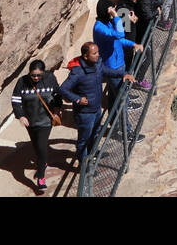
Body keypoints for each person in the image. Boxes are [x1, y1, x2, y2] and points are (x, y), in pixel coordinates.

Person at [59, 42, 137, 160]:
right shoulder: (78, 72)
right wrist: (78, 99)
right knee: (83, 140)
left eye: (98, 52)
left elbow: (107, 71)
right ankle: (84, 166)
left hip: (96, 109)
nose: (98, 55)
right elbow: (63, 89)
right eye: (94, 53)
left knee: (95, 134)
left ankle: (92, 155)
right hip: (85, 113)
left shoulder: (98, 64)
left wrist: (123, 74)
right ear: (86, 56)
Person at [11, 60, 63, 192]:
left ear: (43, 73)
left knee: (41, 147)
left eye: (39, 75)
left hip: (45, 121)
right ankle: (42, 163)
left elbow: (57, 95)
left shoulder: (50, 78)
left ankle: (40, 176)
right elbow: (16, 100)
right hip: (30, 122)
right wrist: (20, 115)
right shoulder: (22, 82)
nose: (35, 78)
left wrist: (57, 109)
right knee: (36, 146)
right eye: (33, 75)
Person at [93, 0, 145, 76]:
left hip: (120, 62)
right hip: (112, 67)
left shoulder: (108, 23)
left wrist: (133, 44)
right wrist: (116, 16)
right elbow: (119, 34)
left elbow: (118, 40)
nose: (114, 12)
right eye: (112, 10)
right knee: (118, 87)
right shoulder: (99, 27)